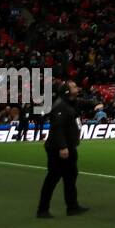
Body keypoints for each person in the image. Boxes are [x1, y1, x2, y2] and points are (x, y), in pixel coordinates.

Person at [37, 80, 89, 218]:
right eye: (74, 87)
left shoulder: (70, 102)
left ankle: (72, 206)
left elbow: (84, 102)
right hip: (58, 149)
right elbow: (57, 128)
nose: (77, 89)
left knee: (70, 177)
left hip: (69, 147)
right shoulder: (60, 106)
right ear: (66, 90)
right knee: (53, 178)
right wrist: (62, 147)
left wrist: (96, 105)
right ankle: (42, 209)